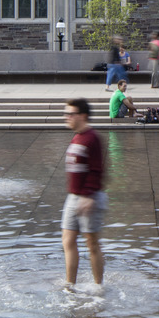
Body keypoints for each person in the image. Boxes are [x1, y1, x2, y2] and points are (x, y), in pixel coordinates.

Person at [62, 98, 106, 286]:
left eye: (71, 114)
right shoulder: (77, 136)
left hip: (90, 197)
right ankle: (70, 285)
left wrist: (88, 195)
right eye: (66, 114)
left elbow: (97, 169)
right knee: (68, 241)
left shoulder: (91, 138)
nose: (67, 117)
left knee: (92, 244)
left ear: (83, 116)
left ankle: (98, 286)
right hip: (73, 197)